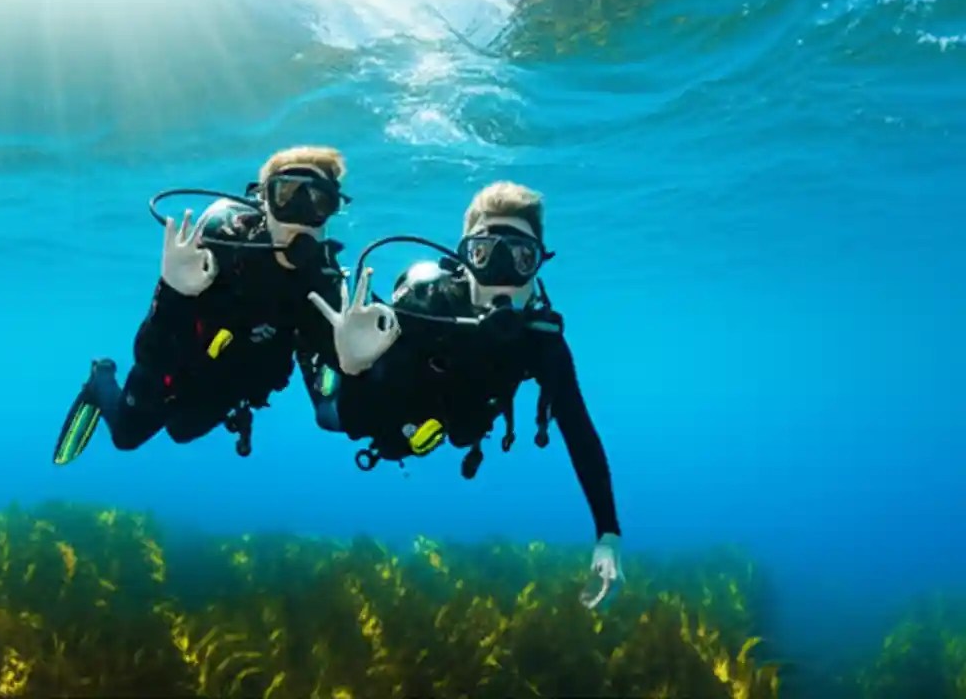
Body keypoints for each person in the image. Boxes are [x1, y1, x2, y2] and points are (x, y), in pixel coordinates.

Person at [306, 181, 625, 606]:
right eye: (483, 254)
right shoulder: (423, 309)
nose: (502, 275)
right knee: (331, 418)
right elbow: (358, 423)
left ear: (538, 265)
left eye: (521, 258)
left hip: (456, 424)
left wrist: (608, 534)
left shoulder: (541, 342)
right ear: (463, 257)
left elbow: (577, 427)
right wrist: (354, 367)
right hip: (390, 413)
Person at [52, 146, 349, 463]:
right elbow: (151, 357)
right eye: (287, 194)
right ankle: (102, 378)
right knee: (126, 437)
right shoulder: (220, 251)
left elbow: (326, 359)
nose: (301, 214)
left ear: (332, 210)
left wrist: (353, 359)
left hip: (227, 385)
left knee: (182, 432)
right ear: (264, 200)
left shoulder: (324, 282)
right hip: (173, 369)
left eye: (319, 199)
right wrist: (173, 293)